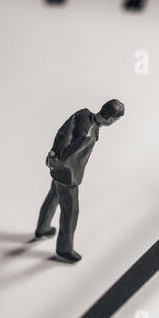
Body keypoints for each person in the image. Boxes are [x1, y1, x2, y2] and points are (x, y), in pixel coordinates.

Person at [34, 98, 124, 262]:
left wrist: (53, 153)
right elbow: (69, 154)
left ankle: (42, 229)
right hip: (68, 176)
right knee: (70, 212)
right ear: (110, 119)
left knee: (53, 197)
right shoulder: (87, 134)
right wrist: (60, 162)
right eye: (116, 120)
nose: (115, 122)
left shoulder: (83, 113)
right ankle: (64, 249)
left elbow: (63, 132)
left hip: (58, 170)